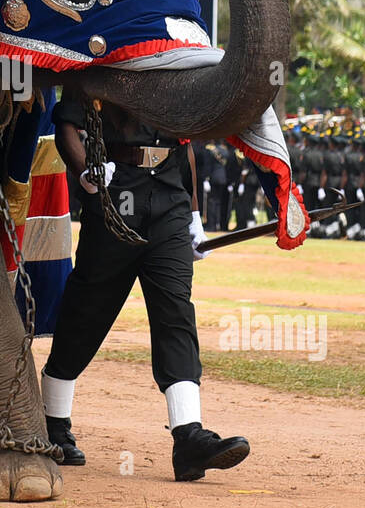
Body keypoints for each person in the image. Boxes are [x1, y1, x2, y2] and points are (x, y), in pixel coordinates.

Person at [40, 98, 250, 482]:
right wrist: (85, 170)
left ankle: (188, 436)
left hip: (170, 201)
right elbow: (66, 125)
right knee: (87, 312)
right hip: (114, 192)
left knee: (176, 313)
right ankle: (53, 423)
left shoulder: (176, 57)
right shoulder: (102, 48)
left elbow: (185, 147)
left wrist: (194, 215)